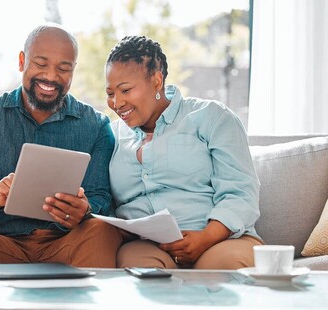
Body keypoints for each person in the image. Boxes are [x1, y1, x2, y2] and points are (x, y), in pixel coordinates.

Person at [0, 24, 123, 267]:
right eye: (41, 64)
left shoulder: (96, 126)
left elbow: (102, 198)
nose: (51, 77)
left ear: (73, 71)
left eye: (63, 69)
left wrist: (85, 209)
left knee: (102, 230)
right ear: (22, 61)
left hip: (64, 243)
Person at [105, 35, 263, 269]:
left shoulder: (211, 117)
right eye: (110, 94)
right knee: (141, 275)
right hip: (148, 245)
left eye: (125, 90)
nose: (117, 103)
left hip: (221, 240)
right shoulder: (112, 135)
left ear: (157, 81)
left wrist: (206, 238)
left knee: (217, 270)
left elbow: (241, 192)